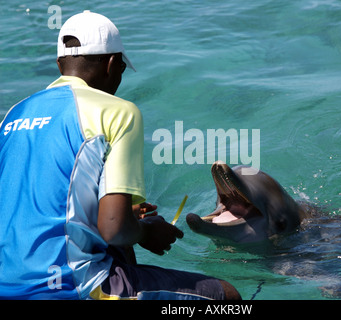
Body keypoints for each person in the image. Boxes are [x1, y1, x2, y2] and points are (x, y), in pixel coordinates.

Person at [0, 10, 241, 300]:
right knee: (226, 298)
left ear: (60, 64)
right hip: (70, 286)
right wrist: (147, 231)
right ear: (113, 64)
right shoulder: (117, 111)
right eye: (123, 68)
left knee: (120, 253)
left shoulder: (14, 116)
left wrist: (126, 216)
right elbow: (114, 228)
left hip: (6, 284)